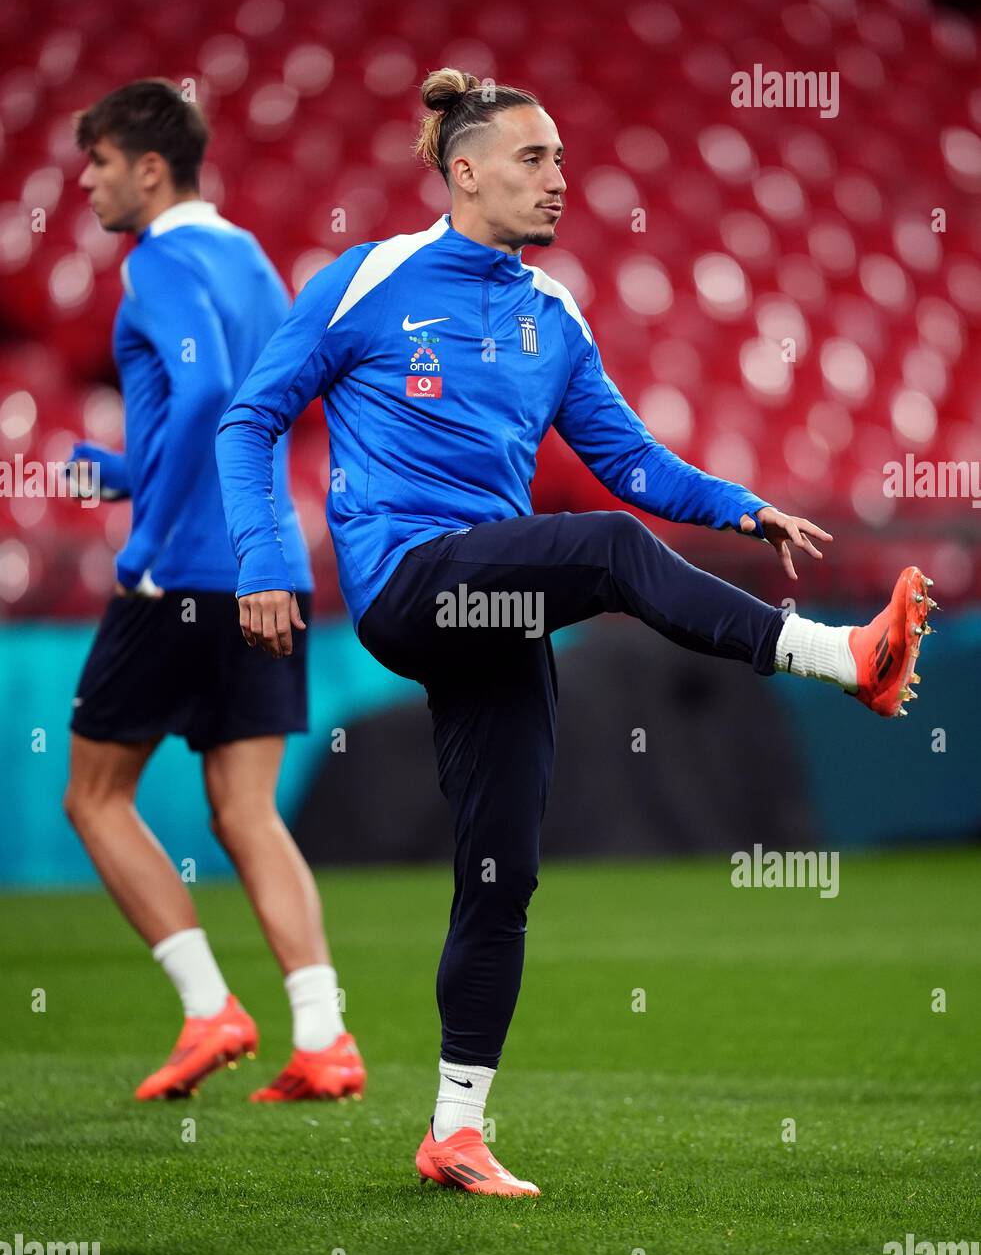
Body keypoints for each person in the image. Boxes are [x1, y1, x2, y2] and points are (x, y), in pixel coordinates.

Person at [215, 68, 934, 1194]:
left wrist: (738, 506)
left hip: (498, 615)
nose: (562, 179)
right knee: (601, 549)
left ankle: (455, 1128)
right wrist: (263, 559)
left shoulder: (553, 317)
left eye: (561, 158)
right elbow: (250, 414)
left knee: (499, 875)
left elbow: (634, 460)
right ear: (465, 171)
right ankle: (839, 655)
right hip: (414, 589)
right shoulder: (368, 280)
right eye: (534, 159)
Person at [65, 79, 365, 1105]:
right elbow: (256, 408)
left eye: (99, 162)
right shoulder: (251, 261)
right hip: (264, 567)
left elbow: (198, 394)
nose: (88, 181)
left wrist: (144, 536)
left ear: (150, 168)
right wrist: (119, 470)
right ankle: (324, 1037)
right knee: (246, 811)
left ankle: (209, 1008)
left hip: (180, 573)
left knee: (94, 795)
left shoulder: (155, 263)